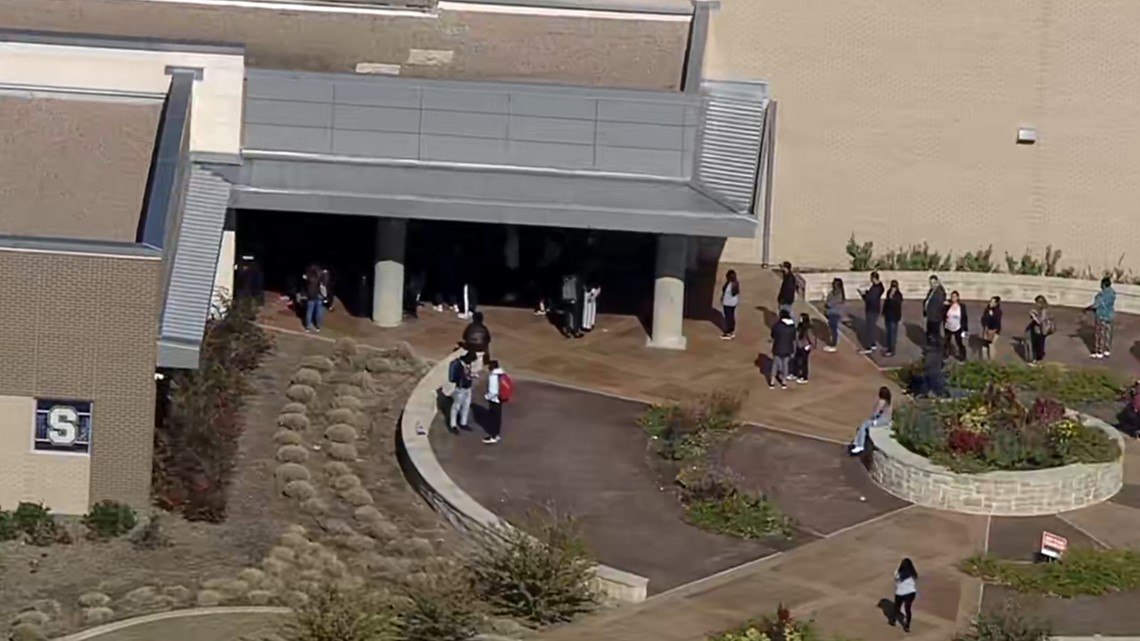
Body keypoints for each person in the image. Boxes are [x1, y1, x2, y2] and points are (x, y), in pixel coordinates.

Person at [849, 386, 892, 455]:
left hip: (882, 421)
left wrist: (874, 412)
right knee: (863, 424)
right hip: (885, 420)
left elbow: (875, 413)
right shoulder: (888, 402)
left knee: (864, 425)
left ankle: (860, 445)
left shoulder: (882, 402)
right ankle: (856, 442)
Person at [1087, 276, 1117, 359]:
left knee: (1099, 333)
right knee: (1108, 333)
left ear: (1103, 285)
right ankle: (1107, 350)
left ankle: (1099, 351)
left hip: (1101, 315)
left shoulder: (1100, 295)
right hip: (1110, 315)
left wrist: (1087, 308)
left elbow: (1096, 305)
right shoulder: (1113, 294)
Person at [447, 351, 477, 432]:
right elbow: (452, 378)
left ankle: (463, 423)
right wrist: (461, 378)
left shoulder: (467, 364)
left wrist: (470, 376)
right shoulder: (457, 364)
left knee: (466, 405)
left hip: (468, 387)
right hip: (460, 388)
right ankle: (453, 425)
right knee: (456, 406)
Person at [858, 271, 885, 354]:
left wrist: (863, 295)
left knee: (870, 328)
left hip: (872, 310)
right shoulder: (879, 287)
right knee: (871, 327)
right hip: (875, 309)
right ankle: (872, 344)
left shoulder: (875, 288)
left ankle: (870, 346)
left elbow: (870, 299)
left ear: (874, 278)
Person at [769, 309, 797, 389]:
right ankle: (784, 381)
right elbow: (793, 338)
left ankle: (772, 381)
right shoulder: (792, 326)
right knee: (785, 365)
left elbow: (773, 335)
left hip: (778, 347)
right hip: (788, 348)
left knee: (775, 364)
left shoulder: (777, 325)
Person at [891, 558, 919, 632]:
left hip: (900, 593)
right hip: (911, 593)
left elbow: (896, 578)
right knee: (908, 609)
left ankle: (893, 620)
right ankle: (907, 626)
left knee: (897, 607)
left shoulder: (898, 573)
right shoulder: (913, 573)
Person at [483, 360, 507, 444]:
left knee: (493, 418)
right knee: (497, 418)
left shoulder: (493, 376)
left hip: (494, 400)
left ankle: (493, 436)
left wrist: (486, 397)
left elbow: (493, 391)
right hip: (500, 399)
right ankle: (497, 434)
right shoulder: (501, 374)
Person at [1025, 295, 1053, 365]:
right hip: (1039, 329)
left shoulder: (1044, 310)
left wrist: (1034, 316)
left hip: (1042, 330)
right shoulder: (1042, 310)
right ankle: (1037, 357)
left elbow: (1040, 321)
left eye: (1037, 302)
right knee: (1038, 343)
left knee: (1039, 344)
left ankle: (1038, 359)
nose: (1036, 304)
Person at [303, 262, 329, 332]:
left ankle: (308, 327)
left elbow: (304, 279)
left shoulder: (309, 276)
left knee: (309, 311)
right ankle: (318, 326)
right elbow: (324, 285)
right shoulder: (322, 274)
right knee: (319, 311)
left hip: (311, 295)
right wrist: (325, 297)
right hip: (319, 295)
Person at [790, 313, 815, 384]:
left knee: (803, 363)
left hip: (804, 348)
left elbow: (812, 340)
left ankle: (804, 377)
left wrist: (808, 347)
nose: (799, 319)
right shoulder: (800, 327)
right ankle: (795, 373)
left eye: (801, 318)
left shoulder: (808, 329)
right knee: (796, 360)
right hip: (798, 346)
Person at [943, 290, 968, 361]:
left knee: (959, 342)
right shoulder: (948, 306)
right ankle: (945, 355)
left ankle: (962, 356)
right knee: (946, 342)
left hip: (958, 327)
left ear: (958, 297)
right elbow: (943, 314)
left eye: (955, 297)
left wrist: (965, 330)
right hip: (948, 327)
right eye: (952, 297)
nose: (953, 298)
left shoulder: (962, 307)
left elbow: (964, 318)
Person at [922, 275, 947, 346]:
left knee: (934, 333)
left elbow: (939, 305)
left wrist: (936, 316)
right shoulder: (932, 290)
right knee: (930, 332)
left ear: (936, 282)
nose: (931, 285)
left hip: (935, 317)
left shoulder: (939, 291)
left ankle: (935, 347)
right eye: (930, 283)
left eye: (933, 283)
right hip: (930, 316)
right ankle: (931, 344)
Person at [823, 278, 846, 352]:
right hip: (831, 313)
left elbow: (829, 304)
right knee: (832, 328)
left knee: (833, 329)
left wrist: (826, 300)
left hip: (834, 313)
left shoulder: (838, 295)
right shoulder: (833, 293)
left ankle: (833, 344)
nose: (833, 285)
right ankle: (834, 341)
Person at [883, 280, 903, 357]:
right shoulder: (888, 293)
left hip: (894, 317)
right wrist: (884, 312)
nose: (893, 289)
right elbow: (886, 303)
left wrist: (891, 299)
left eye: (894, 287)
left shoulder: (898, 295)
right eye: (892, 287)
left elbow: (896, 306)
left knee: (893, 334)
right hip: (888, 315)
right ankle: (888, 347)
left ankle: (892, 349)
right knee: (888, 332)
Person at [721, 269, 741, 340]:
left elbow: (731, 293)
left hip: (728, 303)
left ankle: (729, 331)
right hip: (731, 303)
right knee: (731, 316)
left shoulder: (732, 284)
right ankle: (731, 330)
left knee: (729, 317)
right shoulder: (733, 283)